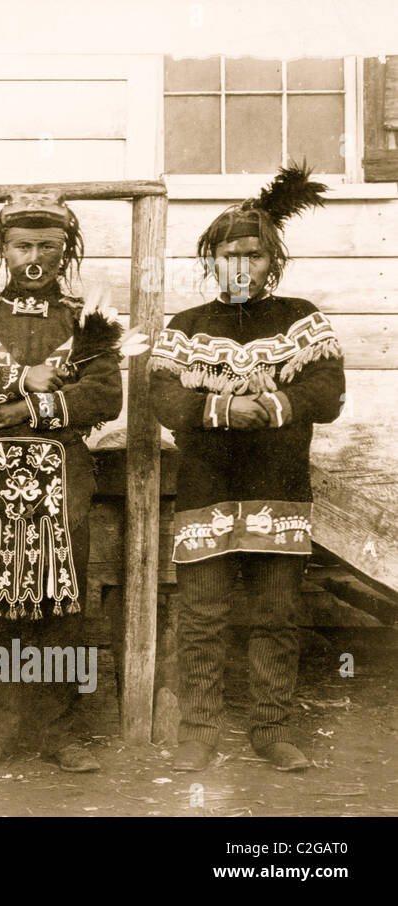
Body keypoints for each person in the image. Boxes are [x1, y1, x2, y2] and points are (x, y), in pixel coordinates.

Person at [150, 165, 344, 773]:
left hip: (277, 491)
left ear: (272, 262)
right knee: (202, 615)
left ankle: (270, 729)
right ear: (211, 260)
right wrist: (226, 410)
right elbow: (164, 399)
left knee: (276, 614)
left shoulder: (300, 317)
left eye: (252, 257)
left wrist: (278, 405)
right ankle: (199, 730)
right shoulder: (186, 328)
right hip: (205, 491)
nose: (240, 268)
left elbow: (329, 392)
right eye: (228, 256)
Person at [0, 192, 123, 773]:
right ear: (3, 248)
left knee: (59, 604)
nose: (34, 257)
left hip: (62, 475)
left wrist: (25, 411)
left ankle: (58, 730)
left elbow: (104, 396)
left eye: (47, 245)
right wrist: (19, 377)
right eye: (23, 246)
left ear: (66, 250)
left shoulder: (87, 322)